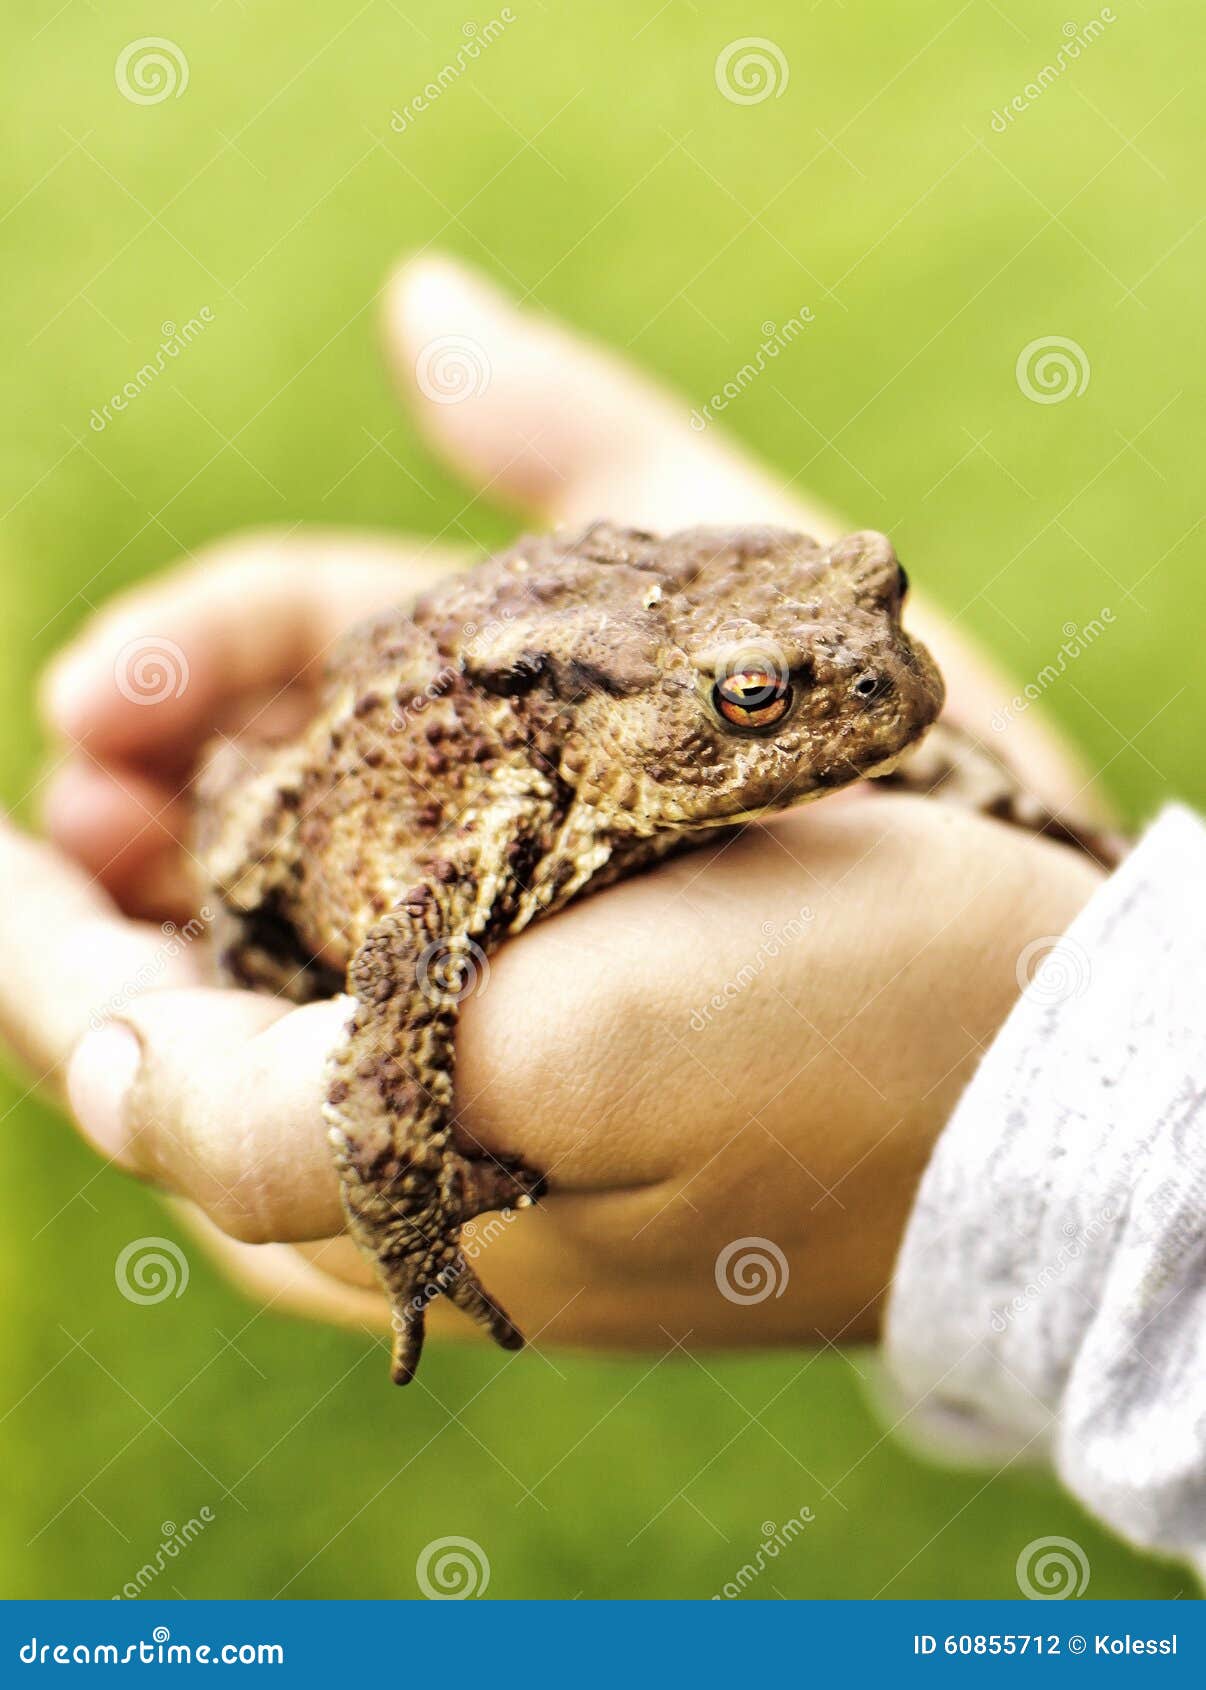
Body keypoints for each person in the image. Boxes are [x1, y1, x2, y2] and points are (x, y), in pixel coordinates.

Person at [1, 256, 1199, 1574]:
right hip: (386, 751)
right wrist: (405, 1206)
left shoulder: (795, 676)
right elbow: (404, 952)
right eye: (755, 697)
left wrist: (1054, 925)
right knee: (234, 831)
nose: (880, 672)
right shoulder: (513, 798)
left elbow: (873, 694)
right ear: (631, 726)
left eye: (884, 602)